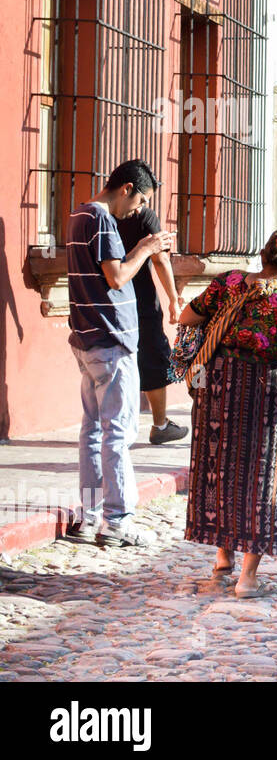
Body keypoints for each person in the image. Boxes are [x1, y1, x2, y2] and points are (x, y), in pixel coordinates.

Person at [180, 228, 277, 598]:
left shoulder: (227, 284)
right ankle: (247, 578)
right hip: (266, 398)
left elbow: (186, 316)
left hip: (219, 392)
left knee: (221, 472)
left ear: (262, 258)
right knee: (263, 478)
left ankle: (221, 564)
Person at [64, 160, 172, 547]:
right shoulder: (102, 220)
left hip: (88, 338)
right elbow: (117, 276)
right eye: (140, 199)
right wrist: (146, 246)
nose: (140, 209)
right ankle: (117, 520)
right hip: (110, 341)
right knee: (118, 433)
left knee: (93, 430)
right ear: (125, 188)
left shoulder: (78, 214)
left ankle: (91, 517)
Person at [116, 198, 187, 446]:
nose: (142, 203)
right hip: (142, 301)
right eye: (143, 196)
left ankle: (115, 424)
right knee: (153, 357)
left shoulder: (100, 217)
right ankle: (160, 425)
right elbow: (160, 260)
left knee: (117, 360)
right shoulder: (144, 216)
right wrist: (173, 300)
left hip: (110, 301)